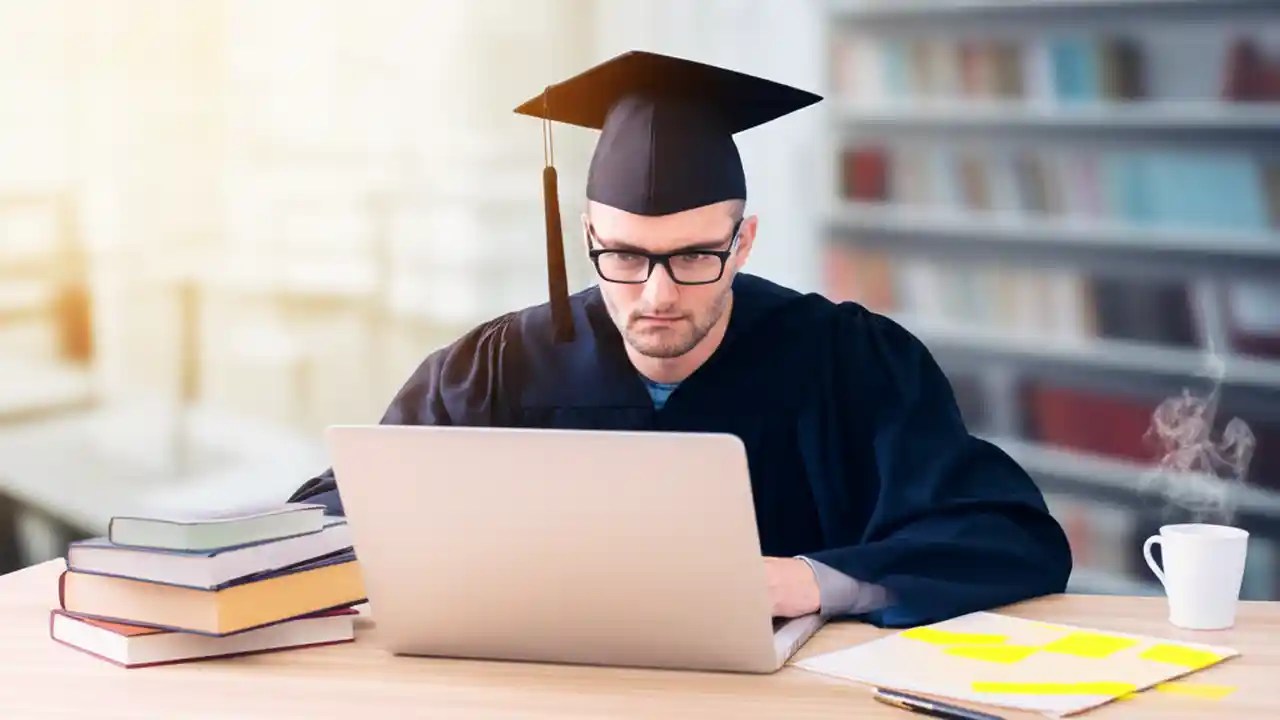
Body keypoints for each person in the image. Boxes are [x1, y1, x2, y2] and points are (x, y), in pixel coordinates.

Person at [287, 50, 1072, 628]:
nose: (657, 295)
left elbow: (1004, 537)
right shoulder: (498, 365)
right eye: (624, 256)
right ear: (586, 234)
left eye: (696, 255)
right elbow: (339, 509)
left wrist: (814, 581)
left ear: (744, 241)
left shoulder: (848, 361)